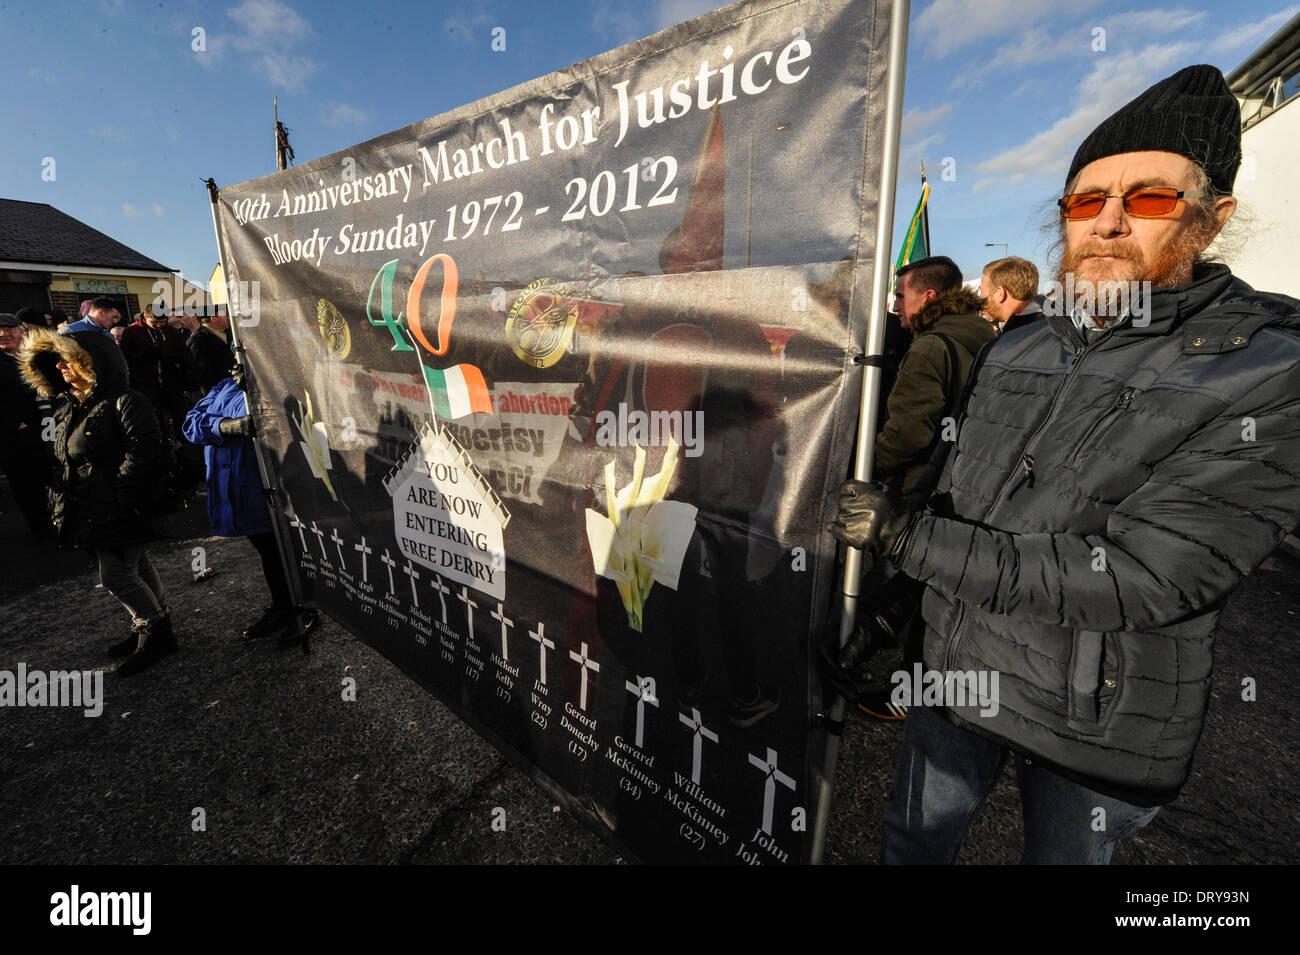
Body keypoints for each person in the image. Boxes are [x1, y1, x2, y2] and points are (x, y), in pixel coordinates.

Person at [829, 65, 1300, 863]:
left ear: (1210, 220)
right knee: (912, 841)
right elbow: (956, 492)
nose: (1108, 224)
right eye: (1087, 201)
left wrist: (908, 542)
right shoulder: (1021, 344)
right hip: (956, 673)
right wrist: (888, 607)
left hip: (1096, 722)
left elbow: (1147, 575)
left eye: (1148, 198)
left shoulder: (1261, 365)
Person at [18, 326, 177, 675]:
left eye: (69, 359)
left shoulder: (126, 400)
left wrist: (124, 495)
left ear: (91, 363)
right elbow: (65, 455)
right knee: (136, 564)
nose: (61, 366)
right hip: (88, 504)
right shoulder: (69, 404)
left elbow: (145, 449)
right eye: (57, 361)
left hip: (118, 504)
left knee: (117, 575)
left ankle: (154, 629)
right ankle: (155, 622)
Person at [183, 375, 319, 647]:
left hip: (267, 486)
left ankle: (302, 609)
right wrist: (225, 426)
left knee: (282, 551)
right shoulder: (225, 385)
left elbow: (296, 428)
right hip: (234, 489)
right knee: (268, 552)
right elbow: (191, 423)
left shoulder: (277, 379)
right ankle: (282, 605)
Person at [0, 313, 54, 539]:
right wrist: (17, 424)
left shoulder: (33, 356)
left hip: (45, 426)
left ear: (22, 331)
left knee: (50, 475)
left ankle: (59, 520)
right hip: (14, 435)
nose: (4, 335)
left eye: (9, 329)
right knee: (25, 484)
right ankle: (41, 529)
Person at [978, 256, 1044, 334]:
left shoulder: (1017, 336)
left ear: (1000, 294)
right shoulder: (1049, 325)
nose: (980, 298)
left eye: (982, 292)